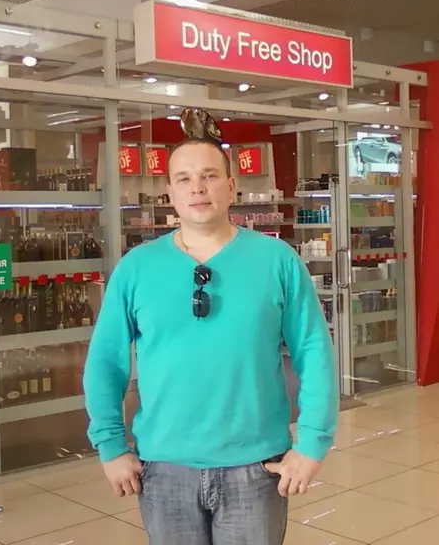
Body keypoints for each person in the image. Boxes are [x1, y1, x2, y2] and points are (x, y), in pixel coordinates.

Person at [83, 137, 339, 545]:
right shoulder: (137, 268)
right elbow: (105, 362)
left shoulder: (277, 260)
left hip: (256, 466)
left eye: (209, 176)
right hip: (164, 467)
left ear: (231, 186)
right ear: (170, 192)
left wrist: (312, 443)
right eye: (184, 178)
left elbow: (313, 352)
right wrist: (110, 445)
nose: (197, 188)